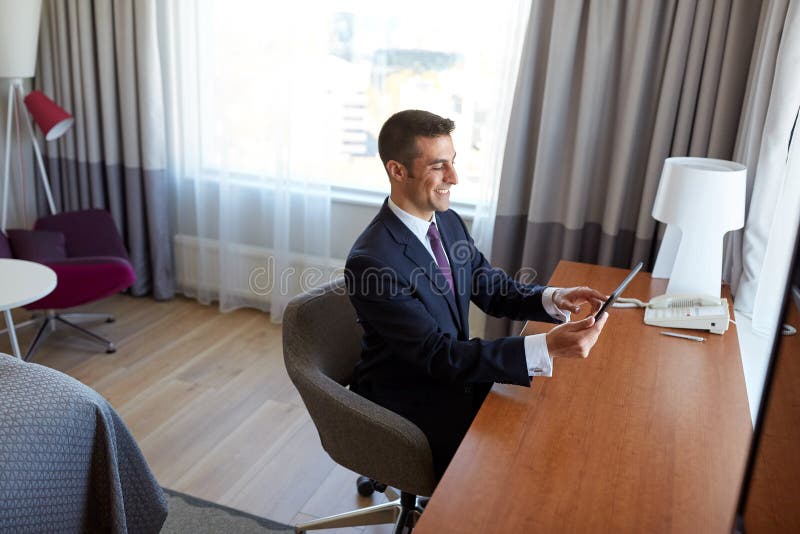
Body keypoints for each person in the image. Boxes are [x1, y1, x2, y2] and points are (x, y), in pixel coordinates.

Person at [345, 109, 609, 479]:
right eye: (438, 166)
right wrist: (547, 346)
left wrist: (552, 298)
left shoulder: (447, 222)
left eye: (452, 162)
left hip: (454, 375)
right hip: (409, 401)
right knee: (518, 467)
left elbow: (489, 286)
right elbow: (438, 355)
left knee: (556, 424)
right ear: (398, 171)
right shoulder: (372, 262)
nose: (453, 177)